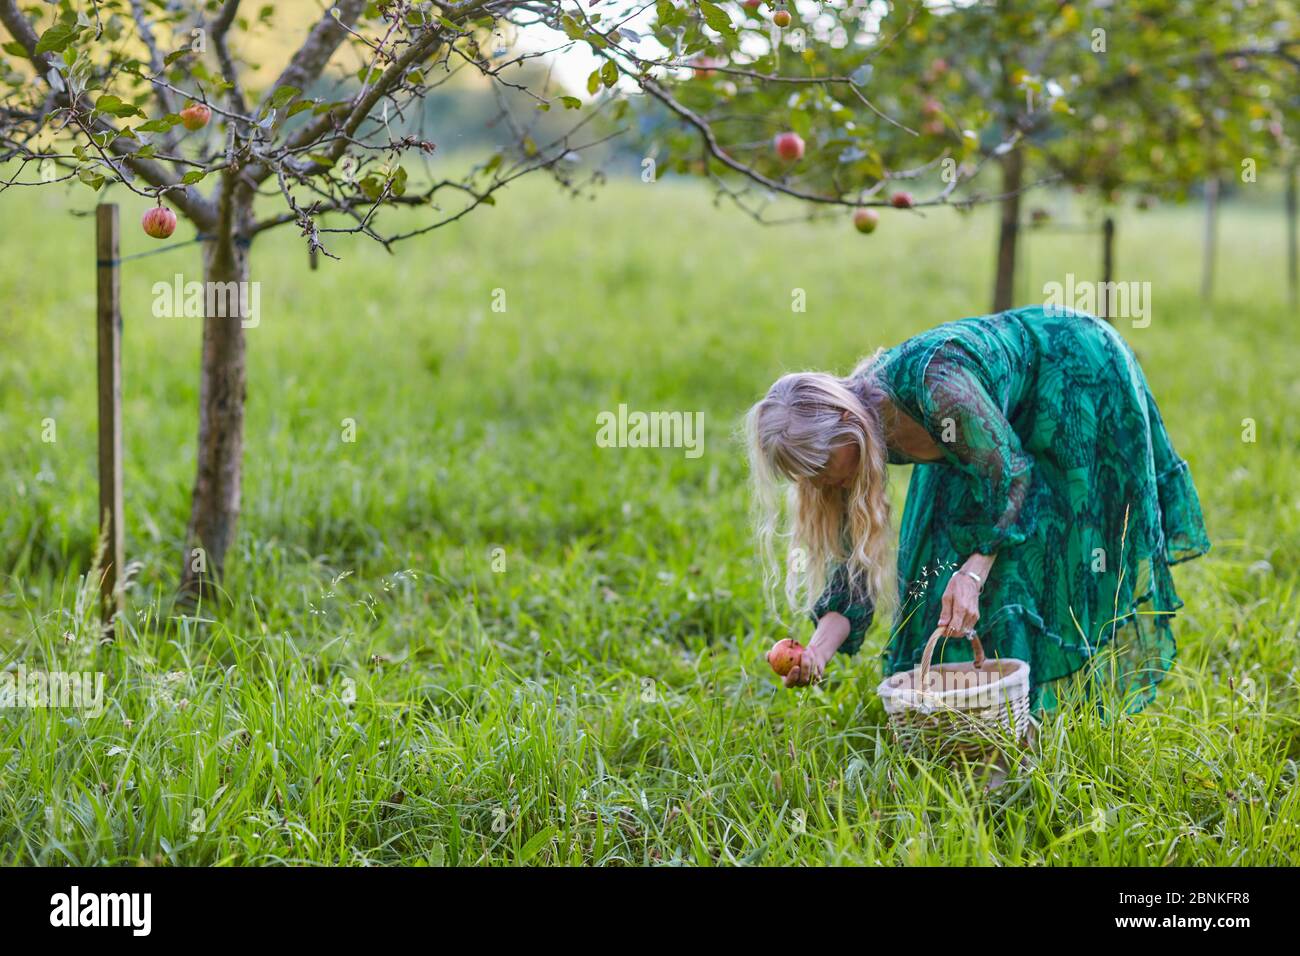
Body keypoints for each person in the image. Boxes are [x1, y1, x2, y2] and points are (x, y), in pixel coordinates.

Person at [745, 305, 1210, 714]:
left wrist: (973, 572)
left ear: (847, 421)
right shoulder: (849, 451)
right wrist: (817, 653)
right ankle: (981, 715)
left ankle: (1040, 714)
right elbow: (851, 574)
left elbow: (1011, 479)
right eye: (806, 476)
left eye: (822, 467)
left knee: (1032, 551)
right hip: (980, 441)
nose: (821, 483)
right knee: (936, 565)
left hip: (1071, 371)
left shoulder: (936, 386)